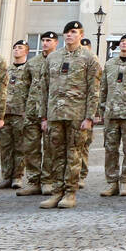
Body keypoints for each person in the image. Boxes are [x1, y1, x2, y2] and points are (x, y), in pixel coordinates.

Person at [32, 20, 100, 209]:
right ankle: (56, 192)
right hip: (55, 114)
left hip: (76, 116)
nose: (69, 35)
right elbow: (44, 88)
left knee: (74, 155)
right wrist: (43, 116)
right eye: (67, 32)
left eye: (73, 32)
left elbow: (94, 90)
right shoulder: (52, 58)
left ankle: (70, 193)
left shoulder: (89, 59)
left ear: (81, 35)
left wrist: (89, 117)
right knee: (56, 155)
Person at [96, 33, 126, 198]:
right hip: (111, 113)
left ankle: (125, 181)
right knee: (110, 150)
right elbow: (103, 88)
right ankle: (111, 182)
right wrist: (101, 110)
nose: (124, 44)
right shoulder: (110, 64)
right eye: (122, 41)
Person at [15, 32, 56, 197]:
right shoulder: (32, 63)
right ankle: (33, 181)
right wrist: (24, 109)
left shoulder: (58, 61)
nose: (45, 43)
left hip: (51, 110)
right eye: (43, 40)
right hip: (32, 111)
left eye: (49, 40)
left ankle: (47, 181)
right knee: (31, 148)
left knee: (50, 148)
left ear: (56, 42)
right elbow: (24, 87)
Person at [0, 40, 32, 190]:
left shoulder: (29, 70)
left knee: (20, 147)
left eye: (20, 48)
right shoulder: (6, 70)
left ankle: (17, 176)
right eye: (15, 48)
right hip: (5, 113)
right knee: (5, 147)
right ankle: (6, 176)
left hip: (21, 113)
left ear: (26, 51)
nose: (16, 50)